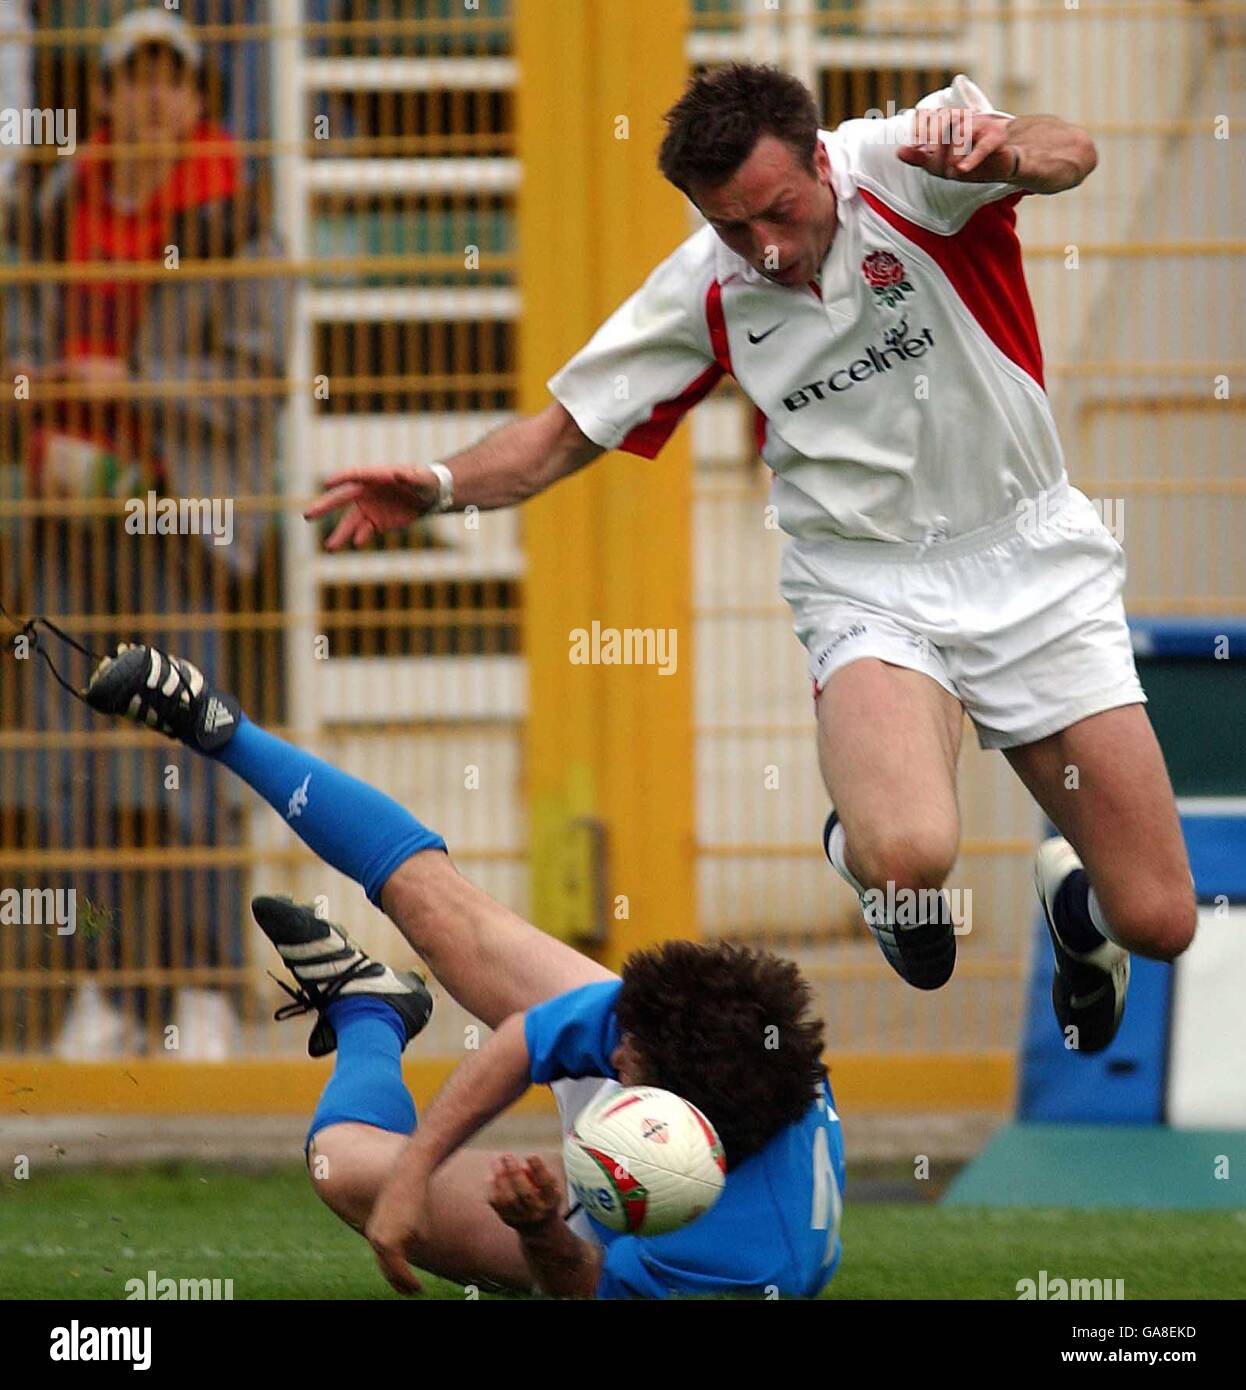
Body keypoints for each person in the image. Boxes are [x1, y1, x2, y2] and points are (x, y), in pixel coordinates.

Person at [304, 64, 1196, 1053]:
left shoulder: (911, 167)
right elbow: (560, 436)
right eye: (733, 227)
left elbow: (1070, 147)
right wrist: (434, 482)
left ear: (821, 158)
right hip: (867, 582)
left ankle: (1075, 917)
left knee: (1160, 920)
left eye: (777, 209)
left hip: (1029, 554)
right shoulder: (704, 288)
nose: (764, 246)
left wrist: (1012, 152)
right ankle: (862, 857)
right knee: (909, 860)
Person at [71, 638, 846, 1298]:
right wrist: (418, 1173)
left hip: (645, 1220)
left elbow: (580, 1284)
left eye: (625, 1059)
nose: (606, 1056)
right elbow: (521, 1042)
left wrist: (542, 1225)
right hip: (679, 1131)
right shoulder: (716, 1038)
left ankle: (367, 1015)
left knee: (341, 1167)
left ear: (676, 1112)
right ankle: (217, 727)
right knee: (448, 917)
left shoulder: (731, 1264)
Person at [3, 7, 286, 1056]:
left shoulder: (237, 211)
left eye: (176, 76)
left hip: (178, 513)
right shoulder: (42, 202)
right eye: (137, 77)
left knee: (193, 749)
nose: (156, 95)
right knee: (69, 756)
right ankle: (102, 989)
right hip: (65, 508)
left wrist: (140, 383)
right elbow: (15, 337)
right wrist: (41, 395)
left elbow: (260, 376)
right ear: (109, 96)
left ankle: (206, 986)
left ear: (199, 96)